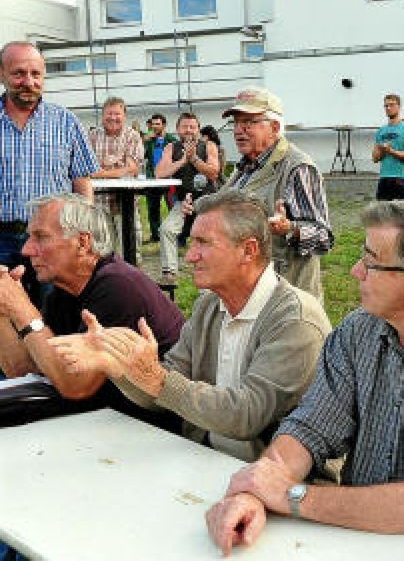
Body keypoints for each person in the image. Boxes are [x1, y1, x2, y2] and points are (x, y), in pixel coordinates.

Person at [205, 197, 404, 557]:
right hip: (365, 531)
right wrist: (254, 492)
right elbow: (312, 428)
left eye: (370, 262)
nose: (355, 270)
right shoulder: (360, 329)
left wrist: (292, 496)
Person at [49, 190, 331, 462]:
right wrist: (118, 366)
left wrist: (155, 378)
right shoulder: (209, 306)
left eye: (203, 243)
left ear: (249, 250)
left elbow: (248, 415)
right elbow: (163, 393)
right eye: (191, 242)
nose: (189, 256)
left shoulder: (295, 320)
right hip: (205, 463)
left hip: (274, 488)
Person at [0, 193, 184, 427]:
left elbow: (76, 387)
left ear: (83, 243)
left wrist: (22, 309)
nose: (27, 250)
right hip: (106, 420)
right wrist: (4, 311)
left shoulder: (118, 287)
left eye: (41, 237)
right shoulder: (64, 291)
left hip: (155, 432)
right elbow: (25, 369)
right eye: (29, 237)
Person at [0, 41, 98, 308]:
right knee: (4, 322)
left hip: (54, 241)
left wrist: (83, 232)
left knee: (54, 314)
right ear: (2, 74)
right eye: (18, 73)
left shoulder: (66, 122)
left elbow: (82, 182)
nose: (28, 81)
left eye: (36, 74)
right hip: (2, 241)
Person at [215, 87, 333, 300]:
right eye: (236, 123)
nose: (238, 130)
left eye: (249, 122)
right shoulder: (245, 167)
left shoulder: (298, 167)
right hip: (249, 293)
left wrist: (290, 228)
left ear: (275, 127)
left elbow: (323, 238)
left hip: (287, 299)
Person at [156, 112, 220, 284]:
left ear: (198, 130)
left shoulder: (209, 146)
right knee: (167, 229)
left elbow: (214, 173)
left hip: (207, 201)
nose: (189, 130)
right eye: (185, 126)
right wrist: (183, 161)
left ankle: (212, 273)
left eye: (192, 127)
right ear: (177, 129)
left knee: (211, 236)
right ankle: (170, 273)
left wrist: (195, 159)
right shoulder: (171, 147)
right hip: (182, 201)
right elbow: (159, 173)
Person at [89, 97, 145, 260]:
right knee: (102, 253)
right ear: (102, 115)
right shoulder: (92, 136)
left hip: (126, 202)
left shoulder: (132, 136)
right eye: (109, 113)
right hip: (99, 202)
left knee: (131, 252)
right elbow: (87, 168)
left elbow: (132, 170)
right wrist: (118, 167)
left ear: (124, 116)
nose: (113, 117)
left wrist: (101, 171)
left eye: (117, 114)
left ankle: (132, 284)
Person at [371, 94, 404, 200]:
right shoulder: (381, 131)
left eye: (391, 105)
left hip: (402, 178)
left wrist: (391, 151)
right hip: (384, 177)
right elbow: (375, 158)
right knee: (383, 215)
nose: (388, 108)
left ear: (399, 106)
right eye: (386, 106)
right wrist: (382, 150)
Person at [143, 113, 178, 242]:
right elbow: (140, 156)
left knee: (172, 206)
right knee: (152, 208)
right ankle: (155, 235)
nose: (155, 126)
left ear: (164, 125)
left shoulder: (172, 140)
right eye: (153, 124)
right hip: (152, 178)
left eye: (157, 124)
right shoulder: (149, 141)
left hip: (169, 178)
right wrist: (144, 141)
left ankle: (174, 234)